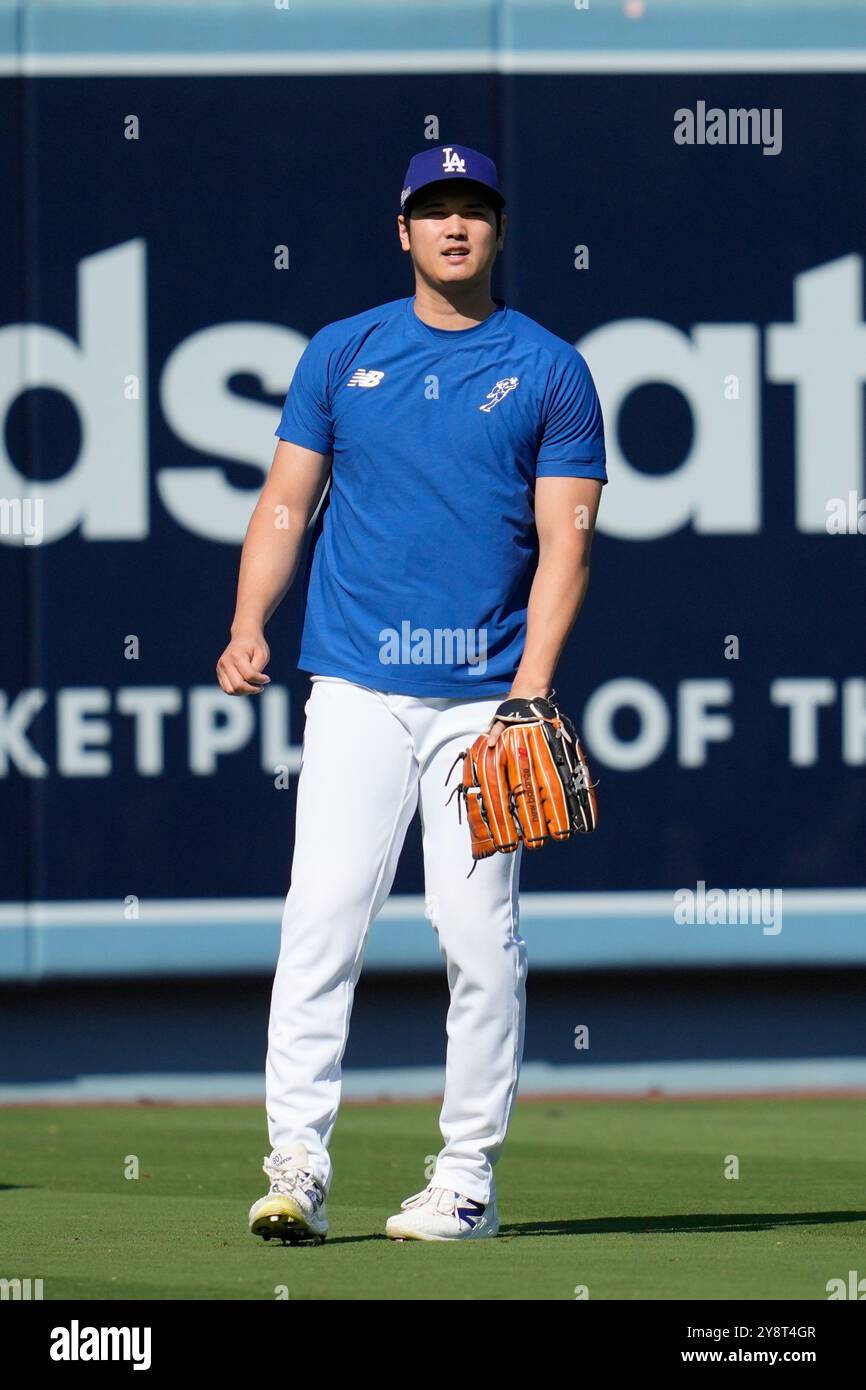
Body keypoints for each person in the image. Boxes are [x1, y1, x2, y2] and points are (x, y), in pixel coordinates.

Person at [216, 143, 607, 1244]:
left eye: (472, 209)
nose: (454, 225)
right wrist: (248, 620)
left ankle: (465, 1179)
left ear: (498, 230)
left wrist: (531, 693)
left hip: (485, 699)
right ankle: (297, 1164)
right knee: (321, 920)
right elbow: (286, 502)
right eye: (433, 210)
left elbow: (567, 544)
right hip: (355, 684)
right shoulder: (343, 351)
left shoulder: (549, 368)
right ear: (403, 231)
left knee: (478, 937)